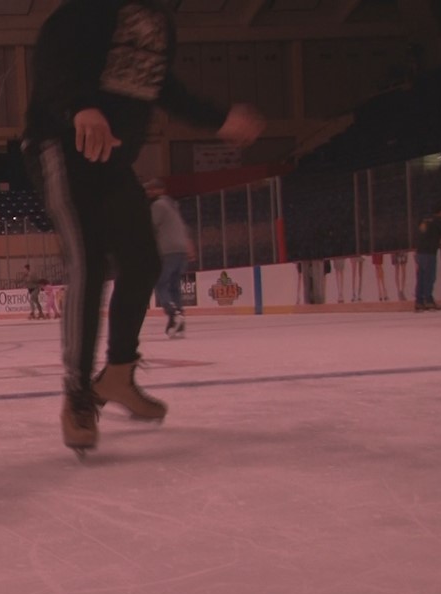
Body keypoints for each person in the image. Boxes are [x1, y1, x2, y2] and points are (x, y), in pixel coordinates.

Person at [24, 0, 264, 456]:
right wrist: (80, 108)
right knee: (88, 264)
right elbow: (53, 62)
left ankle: (117, 373)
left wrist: (218, 119)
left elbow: (161, 88)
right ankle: (78, 394)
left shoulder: (158, 22)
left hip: (113, 161)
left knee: (143, 263)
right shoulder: (86, 11)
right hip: (60, 148)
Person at [146, 178, 193, 336]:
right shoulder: (173, 205)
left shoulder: (158, 205)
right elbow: (183, 227)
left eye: (151, 190)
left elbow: (150, 226)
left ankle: (173, 314)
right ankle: (179, 322)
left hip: (168, 250)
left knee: (160, 283)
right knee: (174, 286)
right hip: (181, 251)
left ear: (160, 190)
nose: (149, 193)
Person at [414, 207, 441, 311]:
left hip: (420, 251)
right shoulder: (440, 221)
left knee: (421, 277)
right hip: (429, 252)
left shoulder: (424, 218)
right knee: (429, 277)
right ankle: (428, 300)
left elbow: (423, 233)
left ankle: (419, 301)